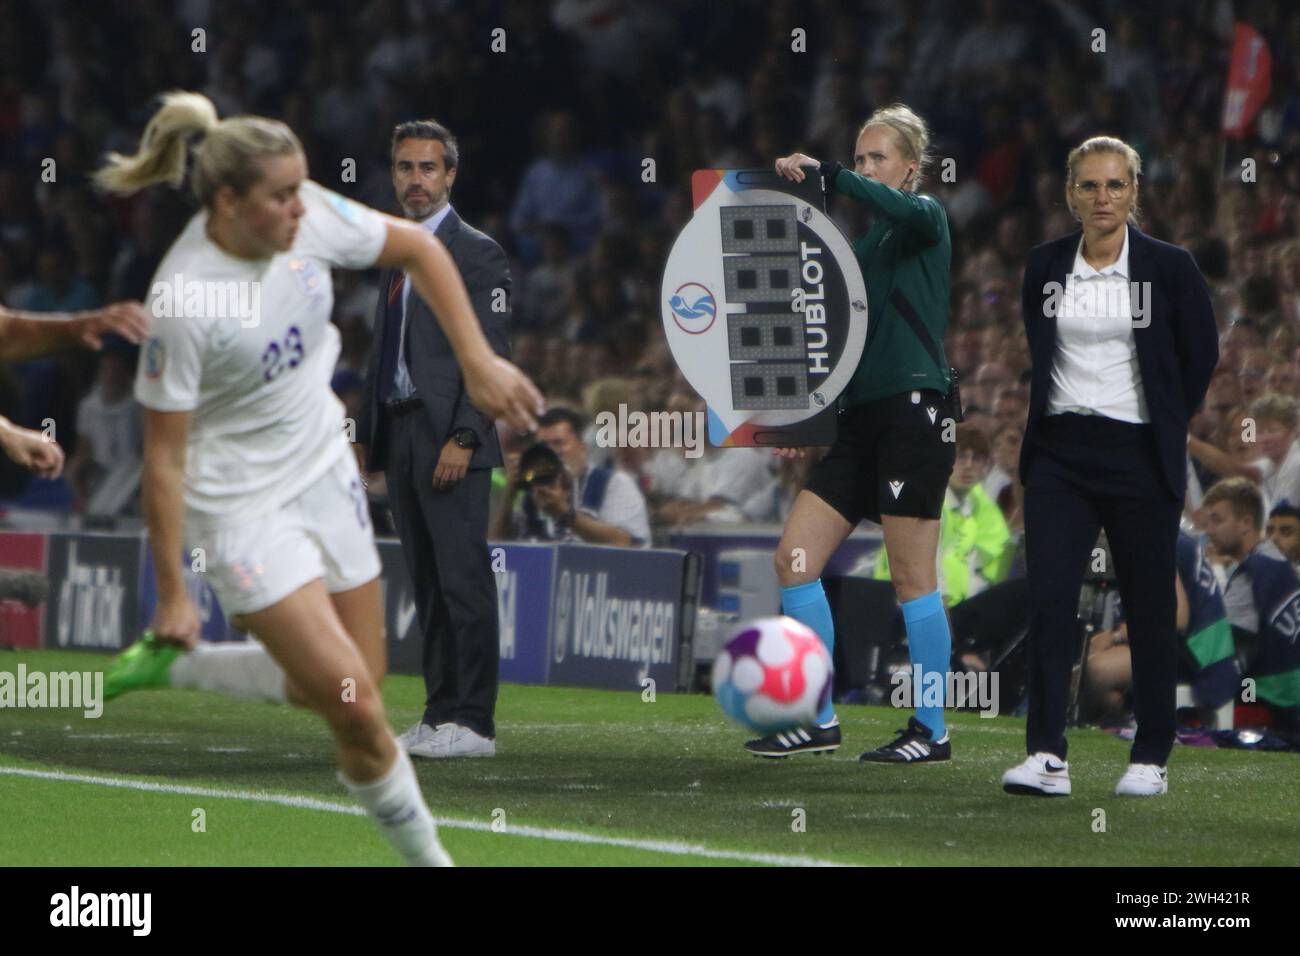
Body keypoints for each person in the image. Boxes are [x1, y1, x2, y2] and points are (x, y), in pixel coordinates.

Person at [96, 91, 542, 866]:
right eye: (280, 196)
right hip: (238, 507)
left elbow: (423, 250)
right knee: (361, 711)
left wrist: (478, 359)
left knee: (348, 681)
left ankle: (187, 666)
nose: (303, 209)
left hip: (321, 468)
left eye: (302, 188)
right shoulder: (184, 298)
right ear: (230, 202)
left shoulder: (307, 210)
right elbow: (162, 459)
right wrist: (173, 593)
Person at [1003, 136, 1219, 798]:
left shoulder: (1171, 266)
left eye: (1116, 185)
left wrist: (1165, 419)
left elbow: (1201, 354)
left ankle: (1150, 755)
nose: (1103, 198)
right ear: (1071, 194)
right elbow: (1042, 359)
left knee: (1150, 604)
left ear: (1135, 192)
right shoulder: (1043, 265)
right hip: (1060, 455)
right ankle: (1046, 755)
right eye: (1090, 186)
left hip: (1139, 453)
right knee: (1049, 600)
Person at [751, 103, 960, 761]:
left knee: (910, 577)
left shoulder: (925, 218)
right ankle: (818, 718)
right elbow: (841, 344)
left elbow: (892, 206)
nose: (869, 169)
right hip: (859, 419)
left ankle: (932, 727)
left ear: (909, 167)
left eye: (879, 159)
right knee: (794, 559)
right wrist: (804, 417)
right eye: (862, 157)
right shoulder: (862, 247)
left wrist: (835, 176)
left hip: (914, 412)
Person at [356, 120, 509, 760]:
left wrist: (467, 436)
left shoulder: (476, 252)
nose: (414, 180)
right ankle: (439, 711)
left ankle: (474, 723)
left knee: (463, 581)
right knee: (426, 582)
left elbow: (492, 353)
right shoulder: (396, 249)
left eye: (427, 168)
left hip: (450, 436)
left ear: (450, 175)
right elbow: (387, 351)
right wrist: (369, 436)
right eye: (404, 168)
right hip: (403, 432)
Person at [493, 407, 651, 547]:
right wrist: (510, 492)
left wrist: (565, 515)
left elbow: (626, 543)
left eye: (559, 443)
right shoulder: (532, 488)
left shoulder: (613, 483)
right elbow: (498, 549)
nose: (552, 452)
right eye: (544, 446)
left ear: (582, 448)